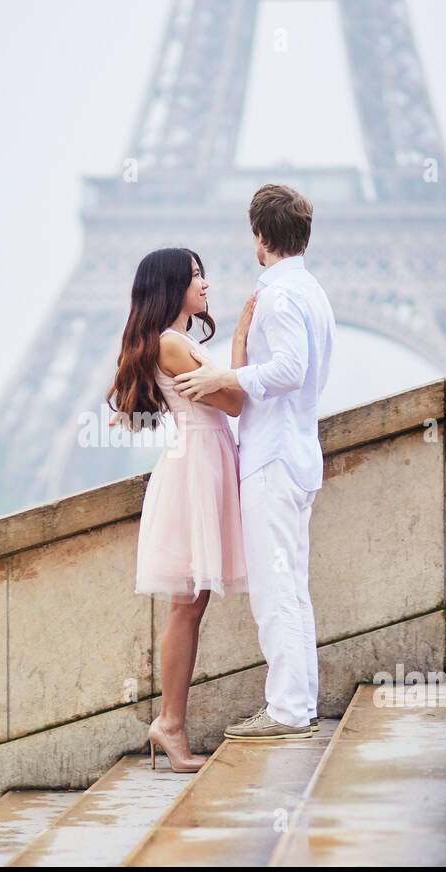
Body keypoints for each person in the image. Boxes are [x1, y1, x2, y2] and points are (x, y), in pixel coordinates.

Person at [173, 183, 334, 740]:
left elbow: (289, 368)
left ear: (260, 236)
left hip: (273, 459)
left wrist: (228, 376)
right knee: (292, 589)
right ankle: (299, 704)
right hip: (296, 454)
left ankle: (288, 711)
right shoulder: (310, 291)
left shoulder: (281, 296)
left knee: (274, 590)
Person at [106, 247, 249, 771]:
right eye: (195, 276)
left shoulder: (177, 340)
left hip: (204, 462)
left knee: (192, 602)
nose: (206, 284)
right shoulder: (170, 343)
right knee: (187, 603)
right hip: (196, 468)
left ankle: (171, 722)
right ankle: (169, 722)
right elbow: (234, 402)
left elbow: (228, 394)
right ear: (172, 287)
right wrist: (237, 349)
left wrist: (229, 367)